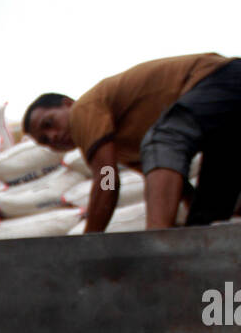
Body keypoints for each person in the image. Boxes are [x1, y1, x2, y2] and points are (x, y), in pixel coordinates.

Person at [22, 53, 241, 232]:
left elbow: (107, 177)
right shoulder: (126, 147)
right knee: (204, 227)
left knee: (161, 139)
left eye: (49, 123)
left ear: (67, 104)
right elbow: (174, 181)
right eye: (44, 140)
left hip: (220, 78)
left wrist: (89, 239)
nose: (52, 136)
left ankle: (157, 241)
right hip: (226, 119)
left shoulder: (82, 110)